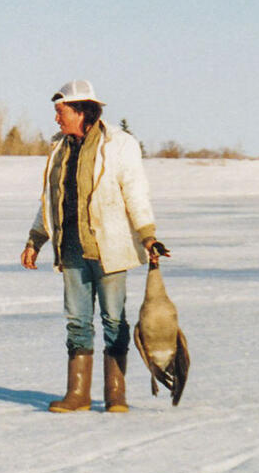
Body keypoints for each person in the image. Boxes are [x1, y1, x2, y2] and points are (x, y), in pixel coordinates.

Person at [19, 80, 170, 414]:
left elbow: (135, 190)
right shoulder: (58, 146)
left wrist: (147, 234)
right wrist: (36, 239)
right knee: (77, 321)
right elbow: (50, 199)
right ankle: (78, 395)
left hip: (109, 247)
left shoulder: (119, 144)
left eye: (61, 112)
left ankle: (115, 393)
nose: (56, 119)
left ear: (82, 110)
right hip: (70, 247)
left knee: (113, 319)